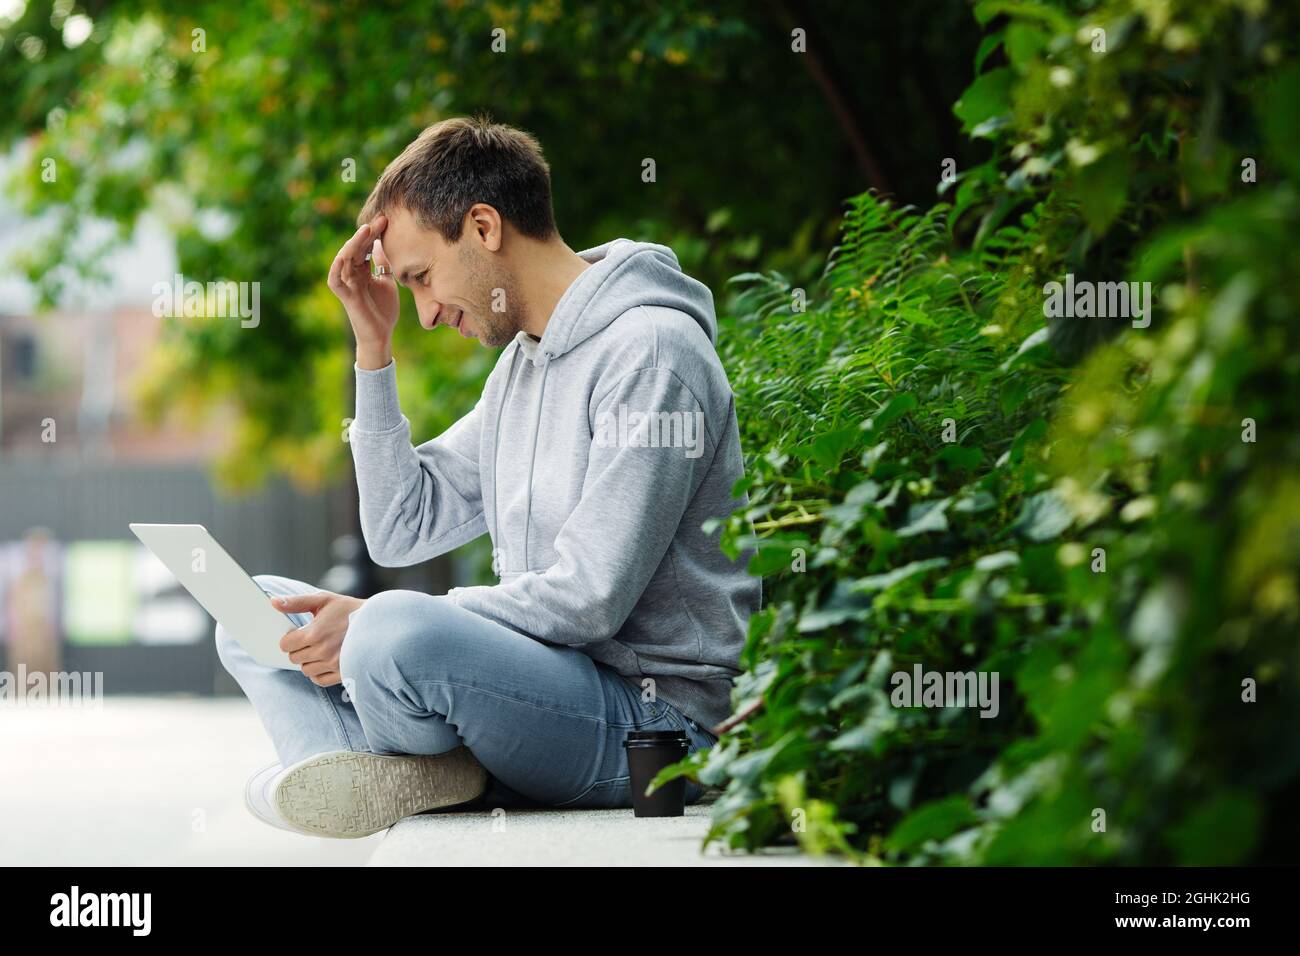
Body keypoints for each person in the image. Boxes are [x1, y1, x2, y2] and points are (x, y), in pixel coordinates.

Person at [216, 116, 760, 838]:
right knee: (250, 611)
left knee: (390, 632)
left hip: (655, 725)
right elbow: (400, 528)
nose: (428, 313)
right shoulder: (522, 370)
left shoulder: (650, 353)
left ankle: (396, 766)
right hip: (546, 690)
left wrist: (381, 624)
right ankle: (371, 771)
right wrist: (372, 352)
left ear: (483, 227)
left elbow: (588, 601)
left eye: (420, 278)